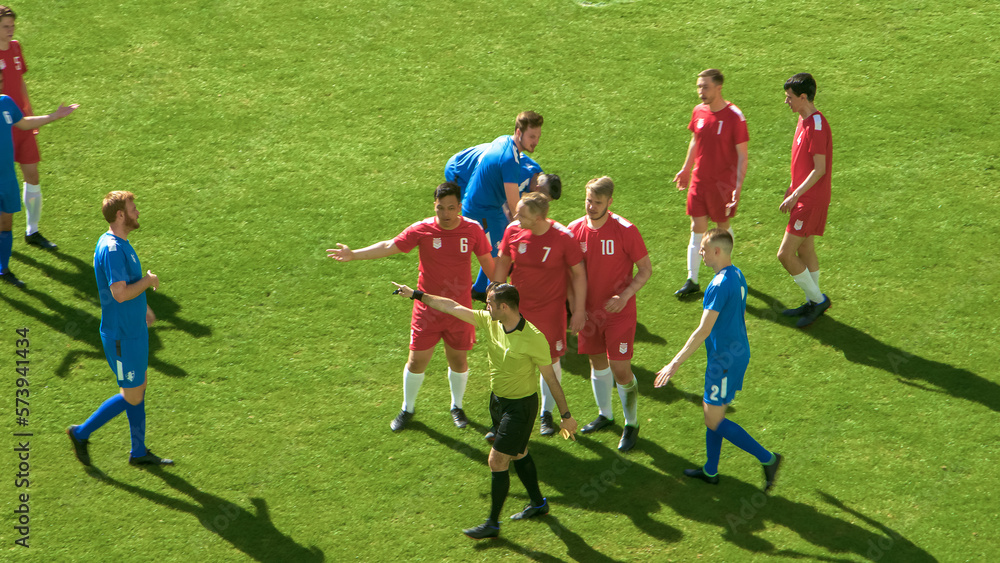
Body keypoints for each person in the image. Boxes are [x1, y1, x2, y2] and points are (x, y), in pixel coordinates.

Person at [390, 281, 578, 540]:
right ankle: (538, 504)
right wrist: (416, 295)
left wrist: (566, 417)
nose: (485, 306)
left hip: (521, 407)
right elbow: (452, 307)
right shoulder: (491, 321)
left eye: (489, 303)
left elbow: (551, 380)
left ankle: (492, 524)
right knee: (519, 452)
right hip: (498, 402)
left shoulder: (534, 339)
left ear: (504, 307)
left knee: (497, 460)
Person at [327, 182, 494, 431]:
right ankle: (408, 409)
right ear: (434, 206)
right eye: (440, 208)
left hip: (459, 310)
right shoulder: (422, 229)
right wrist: (354, 254)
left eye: (451, 208)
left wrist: (502, 296)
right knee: (416, 362)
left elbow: (489, 265)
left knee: (459, 360)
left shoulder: (472, 230)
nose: (446, 214)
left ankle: (457, 406)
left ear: (460, 207)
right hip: (427, 309)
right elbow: (389, 246)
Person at [654, 229, 782, 492]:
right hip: (733, 354)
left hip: (723, 361)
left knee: (714, 419)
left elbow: (703, 330)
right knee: (712, 411)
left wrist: (674, 363)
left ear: (717, 251)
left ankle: (768, 459)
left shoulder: (718, 285)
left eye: (703, 248)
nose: (700, 252)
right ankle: (710, 471)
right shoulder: (737, 274)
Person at [66, 191, 173, 467]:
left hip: (134, 331)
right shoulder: (112, 249)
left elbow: (126, 287)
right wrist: (148, 282)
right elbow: (120, 293)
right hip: (121, 337)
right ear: (121, 215)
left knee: (139, 387)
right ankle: (80, 433)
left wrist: (143, 308)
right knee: (131, 394)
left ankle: (138, 452)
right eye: (133, 208)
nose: (138, 212)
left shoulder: (120, 242)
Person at [568, 177, 652, 452]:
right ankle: (605, 415)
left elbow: (645, 269)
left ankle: (632, 423)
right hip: (589, 314)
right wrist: (576, 309)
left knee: (620, 369)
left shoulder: (625, 230)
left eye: (597, 202)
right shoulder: (574, 230)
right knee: (596, 362)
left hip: (619, 313)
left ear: (610, 202)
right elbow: (569, 274)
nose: (591, 206)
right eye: (588, 200)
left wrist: (624, 296)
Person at [492, 192, 586, 437]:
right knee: (509, 360)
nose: (516, 217)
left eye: (522, 214)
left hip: (549, 313)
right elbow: (503, 262)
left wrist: (578, 310)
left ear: (538, 217)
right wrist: (495, 297)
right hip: (516, 311)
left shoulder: (563, 237)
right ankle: (503, 417)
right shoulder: (513, 231)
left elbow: (578, 274)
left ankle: (546, 413)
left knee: (550, 362)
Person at [673, 69, 749, 297]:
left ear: (719, 87)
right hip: (699, 181)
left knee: (721, 227)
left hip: (722, 185)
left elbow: (743, 156)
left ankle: (730, 271)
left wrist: (737, 187)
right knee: (697, 228)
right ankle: (692, 279)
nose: (701, 92)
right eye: (699, 86)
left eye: (705, 87)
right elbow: (695, 140)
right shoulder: (698, 111)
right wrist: (686, 169)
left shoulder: (735, 116)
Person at [0, 70, 77, 288]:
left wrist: (53, 116)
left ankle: (3, 269)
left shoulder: (5, 103)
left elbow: (24, 123)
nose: (0, 85)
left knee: (6, 223)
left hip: (7, 178)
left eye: (1, 80)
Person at [461, 111, 543, 300]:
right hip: (481, 212)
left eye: (538, 136)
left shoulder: (503, 140)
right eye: (532, 136)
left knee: (500, 252)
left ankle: (480, 290)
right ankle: (497, 302)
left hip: (491, 208)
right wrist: (531, 229)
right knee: (499, 264)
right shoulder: (510, 160)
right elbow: (515, 206)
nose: (536, 141)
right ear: (519, 132)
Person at [777, 72, 832, 328]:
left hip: (810, 200)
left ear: (803, 97)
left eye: (789, 97)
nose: (786, 101)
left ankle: (818, 300)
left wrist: (796, 195)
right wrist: (791, 187)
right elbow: (802, 162)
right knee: (805, 249)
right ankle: (813, 301)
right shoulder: (803, 119)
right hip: (802, 196)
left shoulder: (816, 126)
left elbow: (819, 169)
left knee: (785, 254)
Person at [0, 6, 55, 250]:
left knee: (32, 175)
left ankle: (32, 231)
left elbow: (20, 81)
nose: (11, 30)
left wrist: (28, 110)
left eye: (12, 25)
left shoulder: (15, 47)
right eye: (6, 26)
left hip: (21, 122)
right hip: (3, 124)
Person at [445, 142, 558, 200]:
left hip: (468, 158)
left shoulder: (537, 171)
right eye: (543, 199)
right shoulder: (517, 178)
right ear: (537, 189)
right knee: (474, 212)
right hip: (459, 171)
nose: (541, 202)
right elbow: (508, 209)